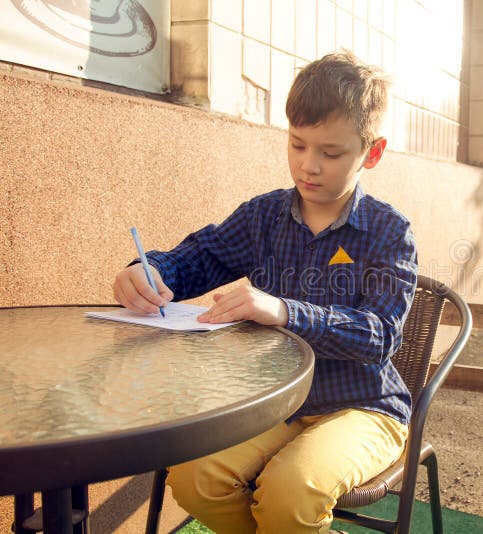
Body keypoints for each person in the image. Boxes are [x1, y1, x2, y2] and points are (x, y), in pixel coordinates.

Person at [113, 50, 417, 534]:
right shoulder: (264, 217)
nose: (308, 165)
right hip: (272, 402)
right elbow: (199, 258)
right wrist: (148, 270)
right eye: (297, 145)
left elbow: (380, 336)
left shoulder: (388, 231)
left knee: (289, 491)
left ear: (372, 153)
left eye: (330, 152)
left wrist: (284, 311)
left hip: (363, 407)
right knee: (194, 478)